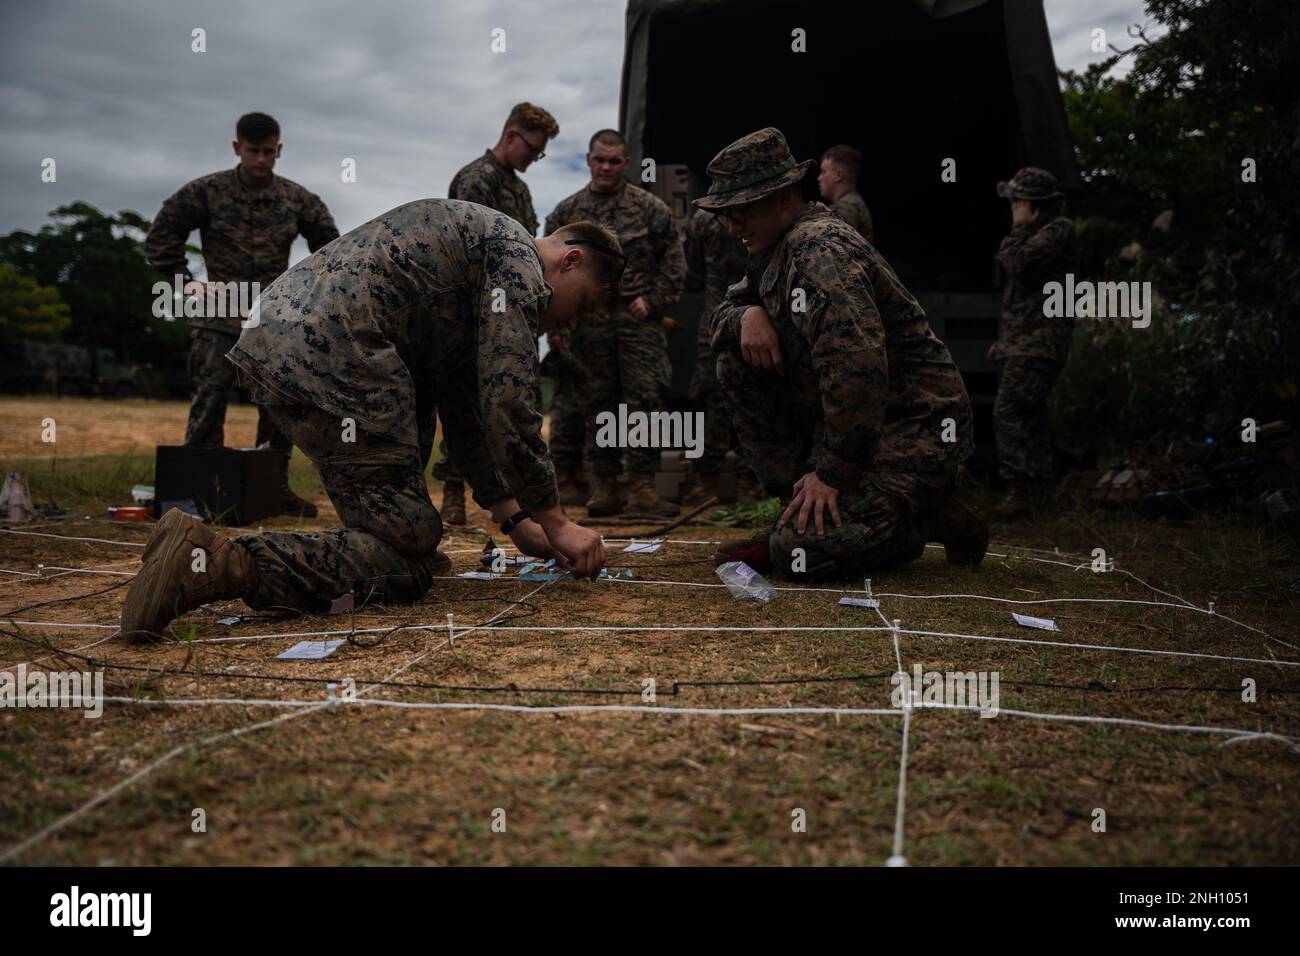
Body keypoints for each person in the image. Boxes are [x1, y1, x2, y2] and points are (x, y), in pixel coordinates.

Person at [120, 200, 620, 642]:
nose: (571, 324)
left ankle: (392, 557)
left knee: (404, 543)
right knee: (412, 547)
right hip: (339, 355)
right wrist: (555, 519)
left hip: (279, 344)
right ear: (570, 260)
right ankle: (212, 562)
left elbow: (466, 408)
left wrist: (515, 518)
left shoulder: (485, 251)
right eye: (584, 305)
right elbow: (508, 400)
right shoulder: (518, 262)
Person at [699, 128, 987, 580]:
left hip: (911, 428)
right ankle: (795, 506)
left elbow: (858, 366)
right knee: (734, 360)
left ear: (783, 196)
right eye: (726, 214)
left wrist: (833, 471)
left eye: (742, 211)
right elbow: (722, 316)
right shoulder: (771, 249)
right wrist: (747, 314)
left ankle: (928, 515)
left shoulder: (819, 251)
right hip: (849, 428)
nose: (732, 226)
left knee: (801, 552)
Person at [144, 111, 339, 517]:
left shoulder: (297, 199)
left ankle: (274, 490)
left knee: (278, 407)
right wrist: (185, 281)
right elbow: (162, 234)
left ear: (279, 150)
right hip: (218, 314)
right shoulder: (207, 191)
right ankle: (198, 495)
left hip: (273, 319)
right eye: (254, 151)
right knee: (209, 401)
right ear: (237, 148)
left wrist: (307, 291)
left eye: (270, 152)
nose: (262, 159)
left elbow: (331, 249)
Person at [544, 129, 685, 518]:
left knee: (645, 400)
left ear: (626, 163)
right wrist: (558, 325)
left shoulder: (650, 208)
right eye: (599, 159)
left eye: (614, 160)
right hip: (588, 322)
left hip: (637, 321)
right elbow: (550, 271)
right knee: (596, 403)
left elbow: (674, 260)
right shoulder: (565, 213)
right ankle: (604, 485)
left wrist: (652, 301)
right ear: (588, 160)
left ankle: (642, 486)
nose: (606, 167)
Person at [437, 102, 560, 525]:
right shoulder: (476, 179)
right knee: (463, 400)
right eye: (533, 149)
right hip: (474, 309)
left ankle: (511, 495)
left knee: (512, 399)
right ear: (511, 136)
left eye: (540, 153)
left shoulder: (520, 191)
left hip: (509, 309)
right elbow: (469, 250)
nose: (533, 158)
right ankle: (454, 490)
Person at [988, 167, 1079, 519]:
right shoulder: (1039, 233)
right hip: (1026, 342)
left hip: (1043, 343)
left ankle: (1021, 492)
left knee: (1008, 410)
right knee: (1029, 415)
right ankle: (1040, 497)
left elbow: (1017, 263)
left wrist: (1020, 226)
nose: (1012, 207)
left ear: (1034, 206)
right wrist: (1006, 343)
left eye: (1017, 202)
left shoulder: (1059, 230)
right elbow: (1023, 300)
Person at [681, 206, 762, 504]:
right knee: (749, 395)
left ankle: (715, 481)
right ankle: (744, 481)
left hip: (723, 317)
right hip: (754, 315)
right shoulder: (762, 212)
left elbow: (694, 270)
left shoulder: (701, 219)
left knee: (716, 398)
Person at [816, 144, 874, 244]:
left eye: (823, 172)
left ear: (838, 175)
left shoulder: (845, 209)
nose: (819, 178)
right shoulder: (853, 203)